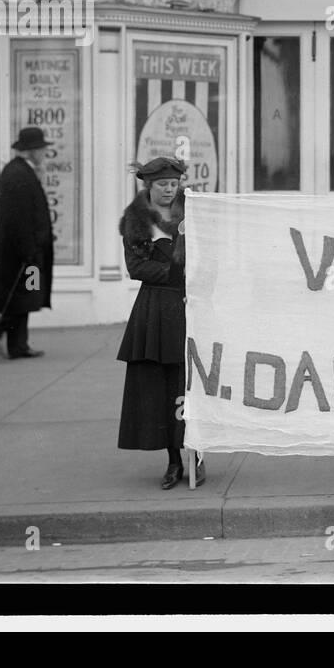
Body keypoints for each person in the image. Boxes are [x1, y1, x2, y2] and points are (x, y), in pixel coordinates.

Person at [116, 157, 204, 490]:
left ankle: (197, 455)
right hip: (155, 311)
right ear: (148, 186)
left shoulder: (191, 212)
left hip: (190, 308)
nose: (169, 190)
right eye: (162, 185)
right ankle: (173, 460)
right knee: (162, 388)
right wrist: (175, 274)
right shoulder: (136, 220)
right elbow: (136, 267)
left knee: (190, 385)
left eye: (173, 183)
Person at [0, 126, 54, 359]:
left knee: (26, 295)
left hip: (25, 250)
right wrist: (29, 249)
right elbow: (19, 218)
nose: (43, 154)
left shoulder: (20, 171)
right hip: (24, 252)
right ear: (30, 151)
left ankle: (14, 342)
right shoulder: (18, 174)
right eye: (41, 149)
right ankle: (3, 336)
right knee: (26, 294)